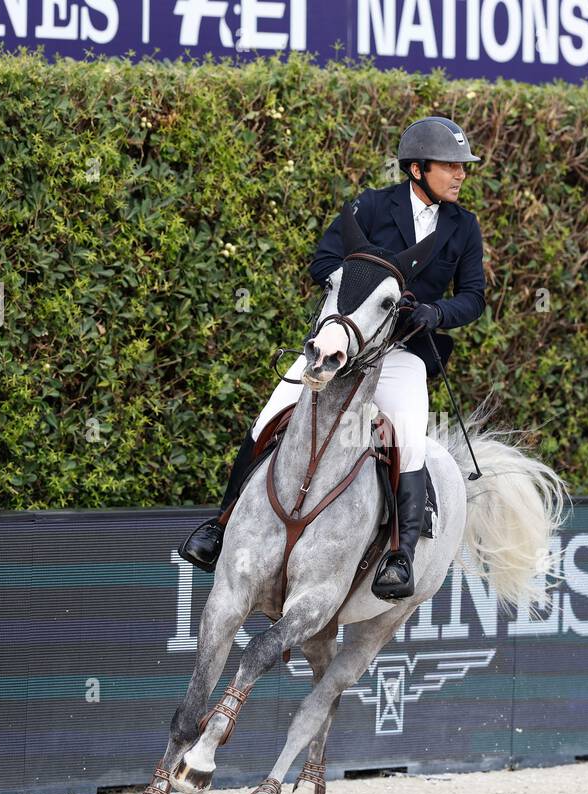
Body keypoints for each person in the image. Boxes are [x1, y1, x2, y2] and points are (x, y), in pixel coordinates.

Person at [180, 116, 485, 599]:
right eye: (451, 165)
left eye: (462, 166)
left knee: (406, 433)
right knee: (268, 418)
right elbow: (323, 263)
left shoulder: (463, 227)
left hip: (401, 350)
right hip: (343, 343)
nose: (461, 174)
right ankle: (220, 524)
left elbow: (473, 297)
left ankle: (400, 554)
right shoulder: (369, 206)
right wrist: (369, 290)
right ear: (417, 169)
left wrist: (434, 310)